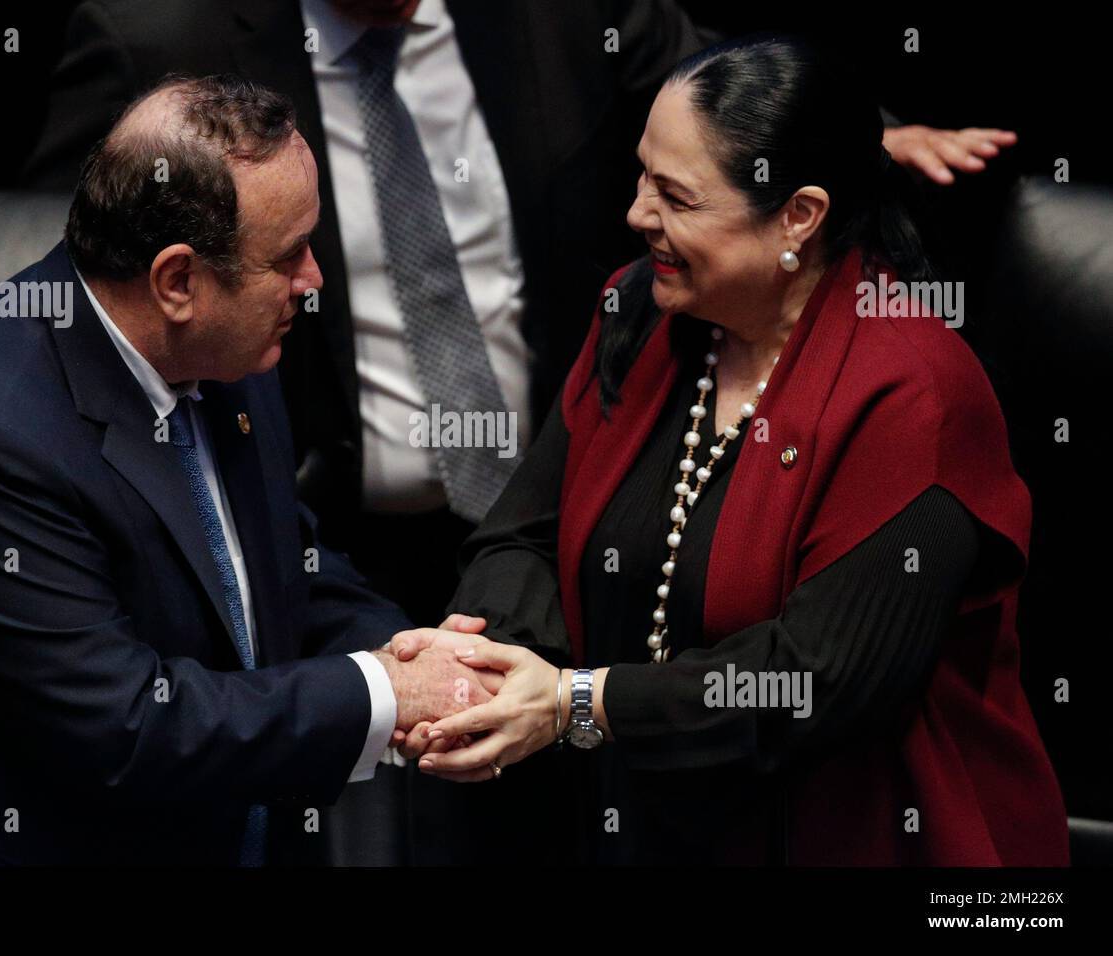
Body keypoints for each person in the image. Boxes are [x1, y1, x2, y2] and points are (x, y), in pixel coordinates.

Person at [394, 36, 1070, 865]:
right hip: (646, 823)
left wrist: (577, 702)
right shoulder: (641, 312)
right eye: (643, 175)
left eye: (677, 196)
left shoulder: (915, 396)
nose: (638, 214)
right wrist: (484, 659)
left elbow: (812, 684)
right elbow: (526, 529)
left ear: (799, 217)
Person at [0, 75, 497, 866]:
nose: (315, 282)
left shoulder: (228, 346)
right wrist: (381, 691)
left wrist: (420, 654)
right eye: (289, 256)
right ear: (178, 282)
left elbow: (278, 566)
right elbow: (127, 729)